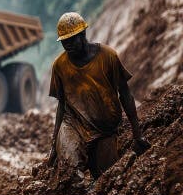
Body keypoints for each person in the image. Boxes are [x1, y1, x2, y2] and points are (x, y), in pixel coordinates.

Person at [48, 12, 149, 181]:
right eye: (64, 41)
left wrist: (137, 134)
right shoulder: (59, 66)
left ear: (83, 35)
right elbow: (62, 105)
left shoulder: (108, 56)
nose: (68, 45)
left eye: (71, 40)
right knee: (70, 171)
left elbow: (125, 94)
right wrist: (54, 145)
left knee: (105, 178)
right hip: (74, 124)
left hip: (105, 129)